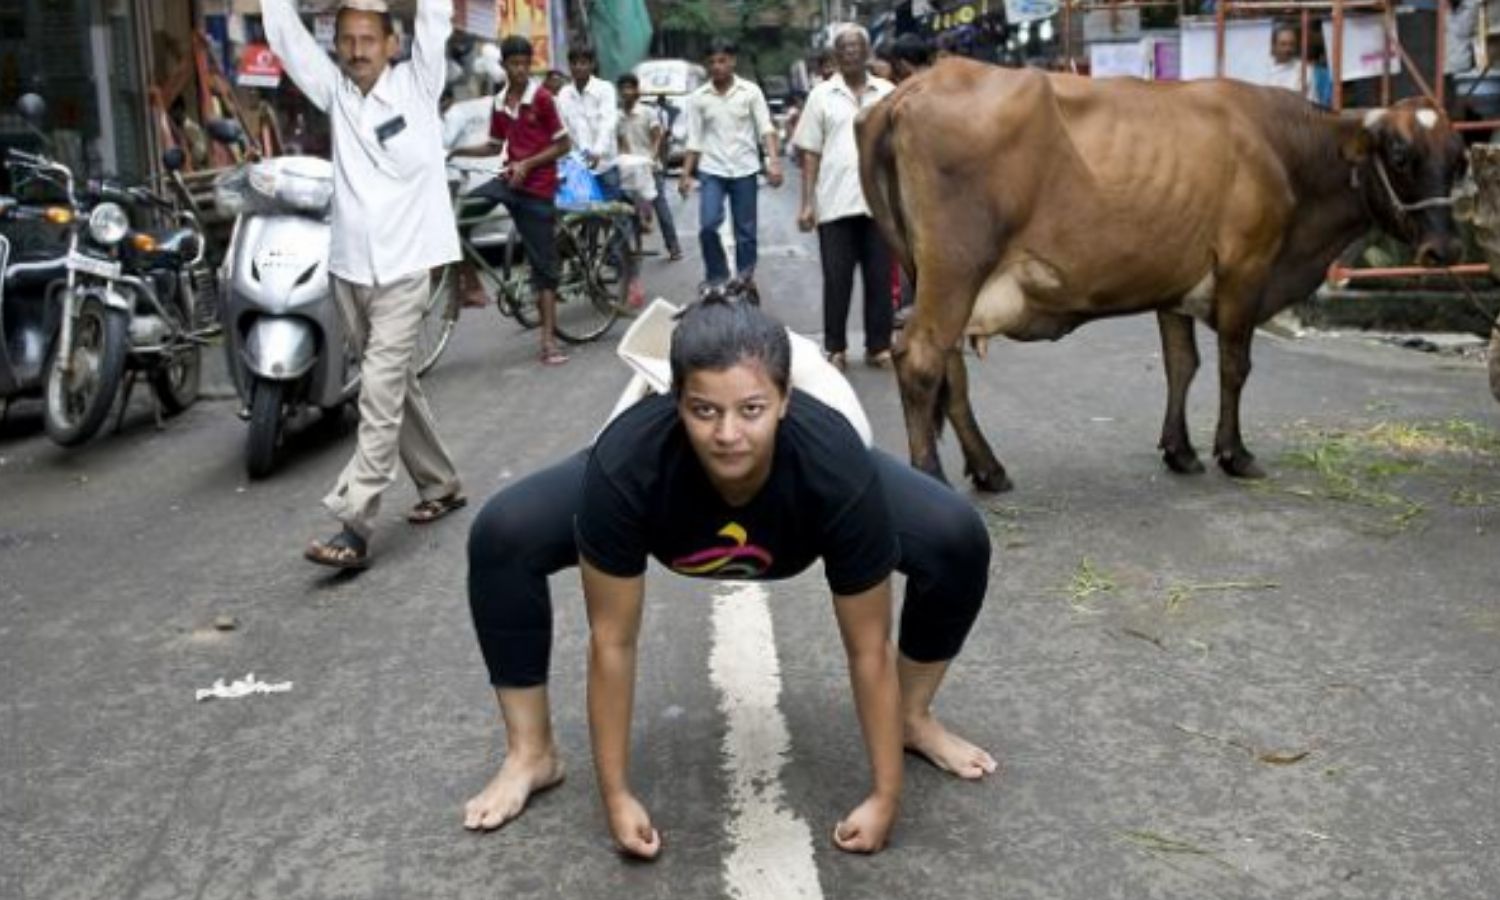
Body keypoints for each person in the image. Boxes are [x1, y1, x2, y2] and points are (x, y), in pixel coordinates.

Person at [462, 296, 996, 857]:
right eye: (704, 411)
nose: (728, 435)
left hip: (807, 500)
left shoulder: (834, 463)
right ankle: (532, 754)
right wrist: (615, 795)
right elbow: (612, 641)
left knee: (955, 536)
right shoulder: (627, 459)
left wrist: (887, 796)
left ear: (787, 401)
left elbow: (868, 648)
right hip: (664, 498)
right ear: (675, 404)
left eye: (752, 410)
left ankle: (911, 718)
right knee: (503, 532)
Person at [262, 0, 465, 570]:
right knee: (393, 383)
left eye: (368, 40)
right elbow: (283, 32)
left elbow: (434, 16)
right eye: (347, 39)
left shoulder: (420, 85)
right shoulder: (335, 93)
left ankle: (354, 522)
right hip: (350, 271)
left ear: (391, 45)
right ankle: (441, 482)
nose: (356, 50)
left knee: (377, 392)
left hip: (405, 271)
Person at [449, 36, 572, 366]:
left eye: (524, 64)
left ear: (529, 65)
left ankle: (548, 341)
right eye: (513, 64)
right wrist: (453, 151)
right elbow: (493, 146)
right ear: (503, 66)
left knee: (543, 268)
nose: (519, 70)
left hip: (538, 187)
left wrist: (528, 164)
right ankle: (473, 287)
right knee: (455, 223)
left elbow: (564, 146)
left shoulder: (543, 99)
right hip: (509, 181)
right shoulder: (499, 102)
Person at [793, 26, 896, 370]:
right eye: (843, 47)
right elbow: (810, 152)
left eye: (856, 46)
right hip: (835, 203)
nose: (851, 52)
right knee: (837, 279)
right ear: (836, 56)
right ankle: (835, 346)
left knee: (879, 278)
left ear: (867, 52)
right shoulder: (821, 96)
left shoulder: (888, 93)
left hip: (879, 203)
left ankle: (878, 345)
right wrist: (807, 203)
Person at [679, 38, 784, 291]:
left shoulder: (750, 92)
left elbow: (766, 129)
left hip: (744, 168)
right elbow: (694, 138)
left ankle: (745, 279)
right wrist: (685, 174)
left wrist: (773, 162)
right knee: (707, 226)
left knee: (745, 232)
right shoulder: (698, 98)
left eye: (722, 60)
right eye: (712, 62)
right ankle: (717, 275)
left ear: (733, 61)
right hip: (712, 170)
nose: (717, 66)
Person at [617, 72, 683, 261]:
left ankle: (673, 246)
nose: (627, 92)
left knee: (660, 207)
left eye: (631, 88)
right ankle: (631, 247)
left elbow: (657, 137)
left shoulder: (648, 112)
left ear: (637, 91)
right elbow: (622, 143)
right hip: (630, 170)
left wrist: (652, 157)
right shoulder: (617, 116)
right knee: (628, 209)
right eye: (623, 88)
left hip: (651, 167)